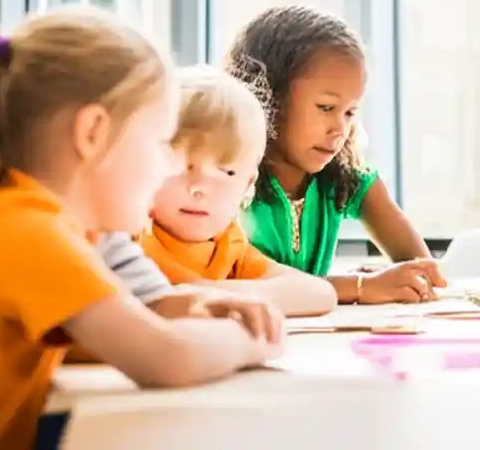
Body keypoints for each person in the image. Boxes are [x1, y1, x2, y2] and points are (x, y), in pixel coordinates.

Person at [0, 9, 281, 449]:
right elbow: (165, 358)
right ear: (93, 132)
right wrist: (249, 342)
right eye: (161, 143)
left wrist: (196, 303)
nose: (173, 165)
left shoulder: (24, 220)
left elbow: (120, 317)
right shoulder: (24, 231)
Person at [226, 6, 446, 304]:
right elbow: (238, 286)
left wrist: (396, 279)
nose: (339, 128)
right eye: (326, 108)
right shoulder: (224, 180)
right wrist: (358, 286)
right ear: (266, 97)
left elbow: (424, 268)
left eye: (350, 112)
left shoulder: (344, 176)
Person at [141, 66, 338, 316]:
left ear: (247, 185)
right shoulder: (129, 234)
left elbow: (319, 294)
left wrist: (215, 294)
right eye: (180, 166)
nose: (200, 188)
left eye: (226, 172)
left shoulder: (229, 244)